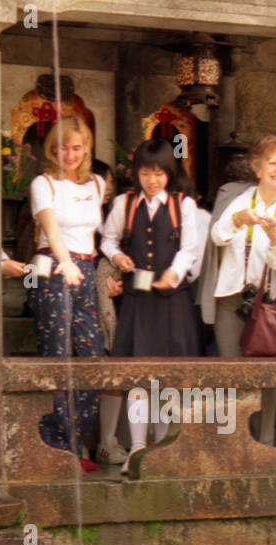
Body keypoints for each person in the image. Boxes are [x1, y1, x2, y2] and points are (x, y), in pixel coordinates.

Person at [195, 135, 276, 445]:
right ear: (258, 168)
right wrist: (235, 220)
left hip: (269, 303)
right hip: (231, 299)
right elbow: (216, 238)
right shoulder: (235, 196)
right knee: (232, 374)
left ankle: (266, 443)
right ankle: (233, 442)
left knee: (267, 375)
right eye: (272, 163)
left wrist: (274, 238)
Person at [100, 139, 202, 472]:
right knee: (137, 374)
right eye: (146, 173)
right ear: (137, 174)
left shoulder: (182, 205)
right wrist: (118, 257)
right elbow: (108, 239)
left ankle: (162, 445)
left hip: (172, 302)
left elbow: (189, 249)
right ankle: (137, 447)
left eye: (159, 173)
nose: (153, 180)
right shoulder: (124, 204)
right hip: (137, 301)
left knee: (168, 376)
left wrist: (172, 274)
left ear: (169, 174)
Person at [28, 115, 106, 471]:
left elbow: (94, 236)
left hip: (86, 268)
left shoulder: (98, 184)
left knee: (92, 353)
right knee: (57, 352)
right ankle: (54, 445)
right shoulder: (43, 183)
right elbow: (51, 229)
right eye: (62, 147)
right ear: (52, 149)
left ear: (87, 148)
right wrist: (65, 263)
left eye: (77, 147)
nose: (70, 154)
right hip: (54, 268)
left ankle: (77, 441)